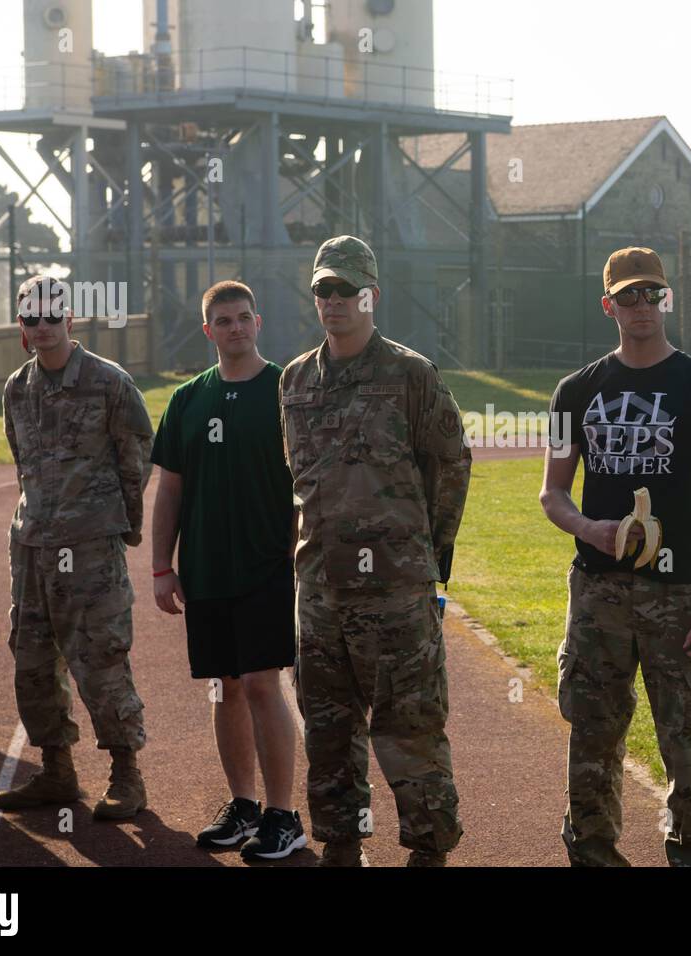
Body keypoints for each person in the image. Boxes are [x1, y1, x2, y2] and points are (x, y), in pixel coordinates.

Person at [539, 247, 691, 867]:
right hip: (598, 590)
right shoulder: (574, 391)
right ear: (608, 306)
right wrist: (590, 529)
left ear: (666, 300)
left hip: (680, 594)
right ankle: (594, 847)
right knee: (593, 728)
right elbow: (552, 492)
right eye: (628, 296)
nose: (642, 307)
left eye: (652, 294)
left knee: (687, 733)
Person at [281, 236, 470, 867]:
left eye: (345, 289)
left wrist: (426, 560)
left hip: (396, 589)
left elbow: (449, 468)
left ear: (372, 295)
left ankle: (428, 846)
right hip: (321, 589)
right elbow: (298, 482)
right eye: (322, 290)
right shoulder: (295, 380)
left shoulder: (410, 375)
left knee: (409, 723)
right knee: (329, 726)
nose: (332, 301)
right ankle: (341, 842)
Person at [150, 280, 306, 860]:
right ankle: (243, 807)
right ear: (207, 329)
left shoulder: (287, 390)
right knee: (225, 689)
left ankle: (284, 815)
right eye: (224, 319)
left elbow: (307, 483)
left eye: (244, 318)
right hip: (206, 567)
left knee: (265, 684)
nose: (235, 327)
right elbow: (170, 487)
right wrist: (162, 567)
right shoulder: (188, 399)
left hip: (267, 565)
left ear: (258, 324)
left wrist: (297, 554)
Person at [0, 276, 154, 821]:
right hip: (33, 546)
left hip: (89, 549)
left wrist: (120, 528)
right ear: (22, 326)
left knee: (100, 658)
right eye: (30, 319)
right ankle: (57, 772)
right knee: (32, 660)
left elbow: (135, 459)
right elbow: (22, 463)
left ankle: (126, 776)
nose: (42, 327)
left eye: (51, 317)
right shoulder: (17, 388)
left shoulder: (108, 382)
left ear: (71, 319)